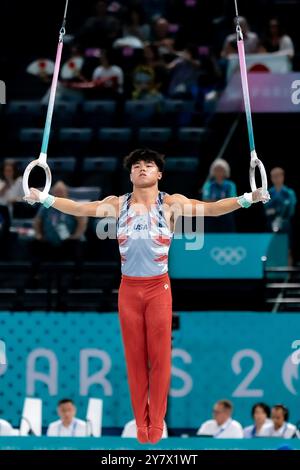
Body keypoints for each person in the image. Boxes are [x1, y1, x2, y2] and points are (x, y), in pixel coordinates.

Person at [24, 148, 269, 444]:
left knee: (160, 358)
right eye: (137, 166)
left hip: (158, 289)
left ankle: (157, 423)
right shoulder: (117, 205)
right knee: (135, 361)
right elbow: (79, 208)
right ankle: (142, 424)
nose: (142, 169)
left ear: (159, 174)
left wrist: (248, 198)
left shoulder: (172, 204)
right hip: (128, 290)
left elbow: (212, 208)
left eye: (148, 165)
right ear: (130, 175)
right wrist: (44, 199)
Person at [264, 167, 297, 263]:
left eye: (278, 176)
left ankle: (287, 277)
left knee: (288, 250)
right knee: (272, 250)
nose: (276, 178)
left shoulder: (289, 193)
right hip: (271, 225)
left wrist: (277, 211)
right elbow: (267, 210)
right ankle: (271, 276)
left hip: (285, 225)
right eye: (274, 176)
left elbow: (291, 211)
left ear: (283, 177)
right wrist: (278, 210)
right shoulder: (267, 193)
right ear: (271, 178)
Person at [201, 159, 237, 232]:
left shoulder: (230, 185)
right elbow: (205, 200)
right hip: (211, 214)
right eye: (217, 170)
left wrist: (217, 204)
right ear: (213, 172)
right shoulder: (208, 185)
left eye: (221, 170)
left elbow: (233, 200)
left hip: (226, 214)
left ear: (225, 172)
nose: (219, 172)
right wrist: (220, 204)